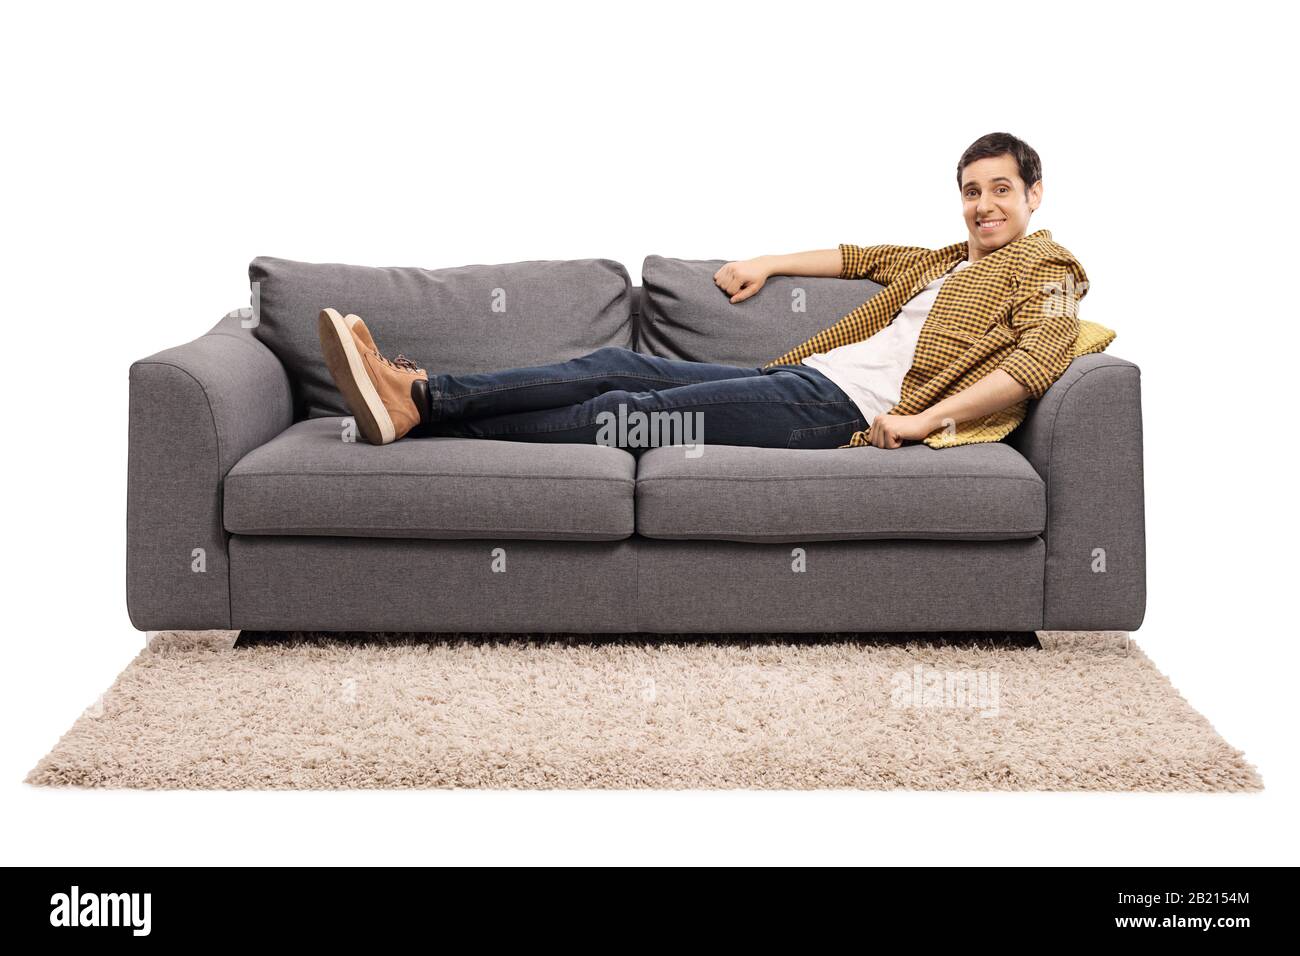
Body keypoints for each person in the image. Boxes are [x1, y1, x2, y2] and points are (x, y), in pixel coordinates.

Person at [317, 131, 1089, 452]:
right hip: (798, 378)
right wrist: (768, 262)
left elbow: (1038, 360)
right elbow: (860, 256)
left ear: (1034, 193)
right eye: (970, 191)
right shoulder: (944, 259)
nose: (983, 205)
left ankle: (422, 403)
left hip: (841, 412)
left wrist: (922, 421)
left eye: (999, 190)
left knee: (636, 417)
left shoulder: (1046, 272)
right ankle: (419, 400)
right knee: (607, 366)